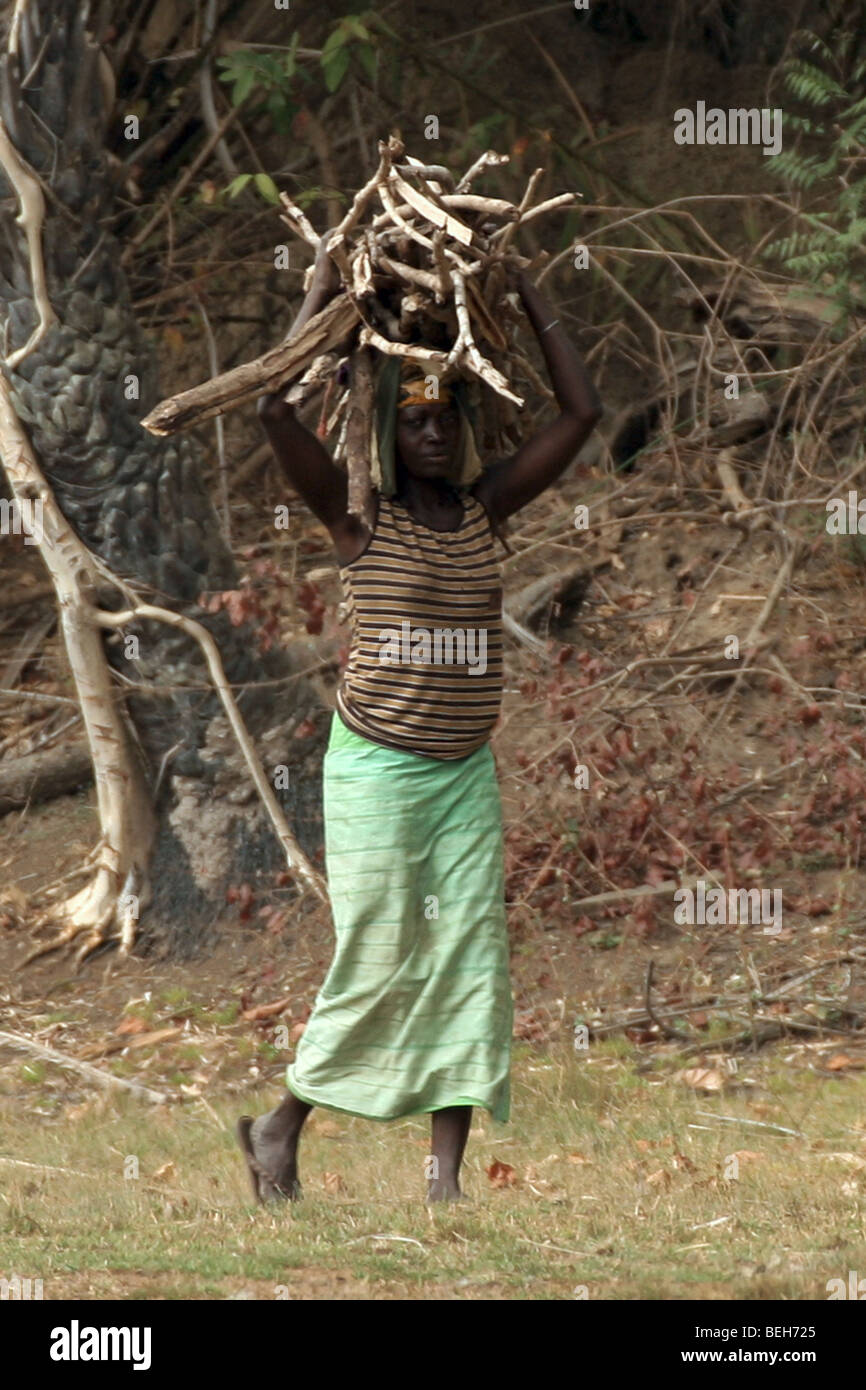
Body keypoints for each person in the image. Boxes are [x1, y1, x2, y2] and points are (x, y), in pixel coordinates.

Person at [237, 239, 602, 1204]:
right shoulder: (358, 519)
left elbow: (583, 414)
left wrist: (532, 296)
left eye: (446, 414)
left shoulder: (488, 508)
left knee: (467, 959)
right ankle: (280, 1127)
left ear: (465, 425)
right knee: (381, 951)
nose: (433, 432)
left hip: (462, 774)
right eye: (412, 417)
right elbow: (274, 407)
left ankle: (444, 1184)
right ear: (386, 434)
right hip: (380, 770)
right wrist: (319, 300)